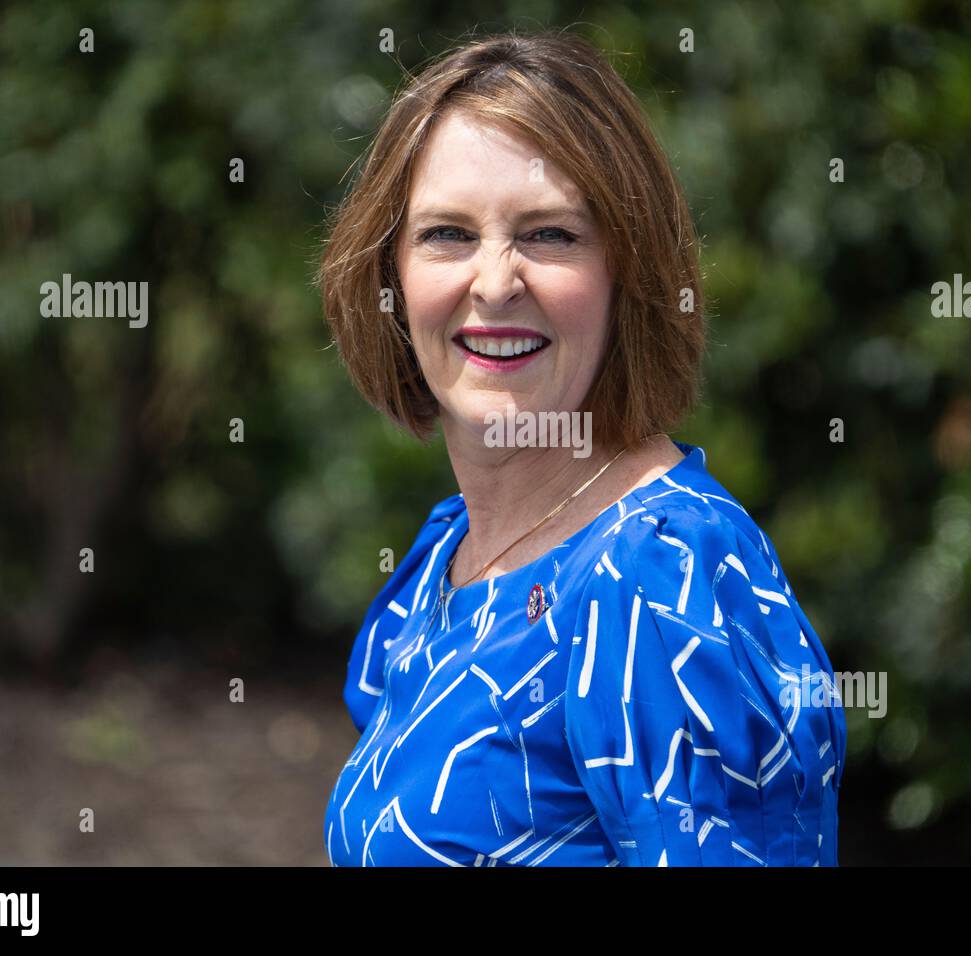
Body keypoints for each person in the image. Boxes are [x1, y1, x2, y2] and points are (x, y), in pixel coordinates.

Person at [318, 30, 845, 866]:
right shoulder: (447, 558)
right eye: (447, 234)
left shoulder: (662, 580)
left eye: (551, 235)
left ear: (628, 272)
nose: (494, 283)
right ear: (390, 278)